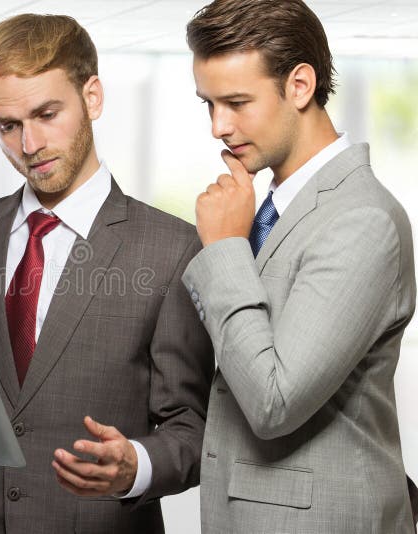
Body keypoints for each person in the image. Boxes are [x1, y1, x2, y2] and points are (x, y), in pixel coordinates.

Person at [0, 13, 214, 533]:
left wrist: (135, 465)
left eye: (47, 114)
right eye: (7, 125)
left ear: (92, 97)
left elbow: (193, 427)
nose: (30, 145)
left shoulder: (173, 247)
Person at [182, 0, 416, 532]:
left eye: (237, 102)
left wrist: (223, 249)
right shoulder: (264, 210)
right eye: (209, 104)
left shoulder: (362, 220)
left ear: (300, 86)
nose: (218, 126)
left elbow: (273, 402)